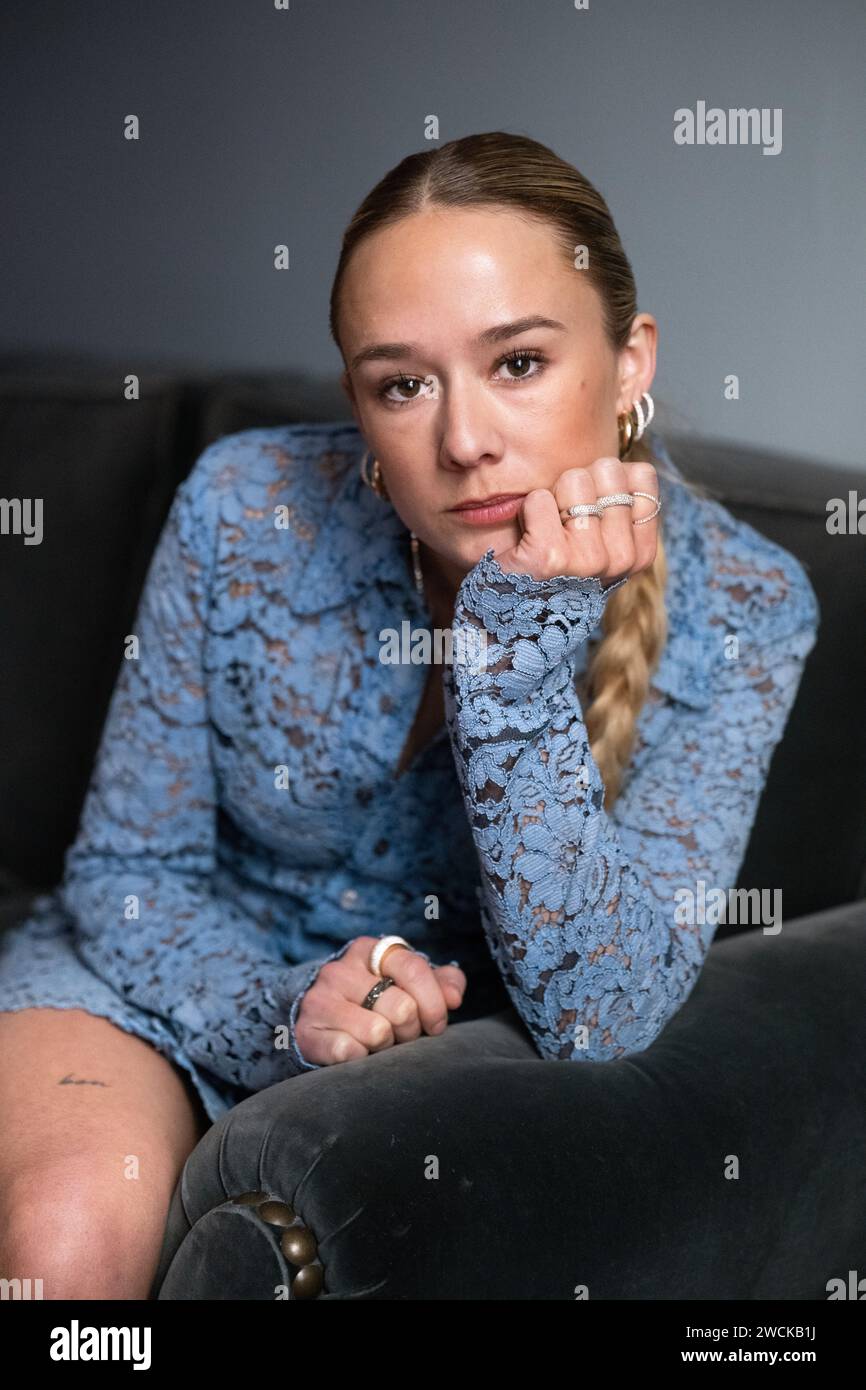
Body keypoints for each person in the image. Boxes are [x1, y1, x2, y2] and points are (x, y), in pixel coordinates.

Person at [0, 131, 819, 1299]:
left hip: (406, 1091)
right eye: (403, 384)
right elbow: (130, 872)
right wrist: (292, 1007)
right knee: (70, 1246)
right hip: (159, 992)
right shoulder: (242, 507)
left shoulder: (745, 604)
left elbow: (602, 1012)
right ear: (358, 403)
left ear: (629, 362)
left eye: (518, 363)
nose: (464, 440)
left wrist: (508, 657)